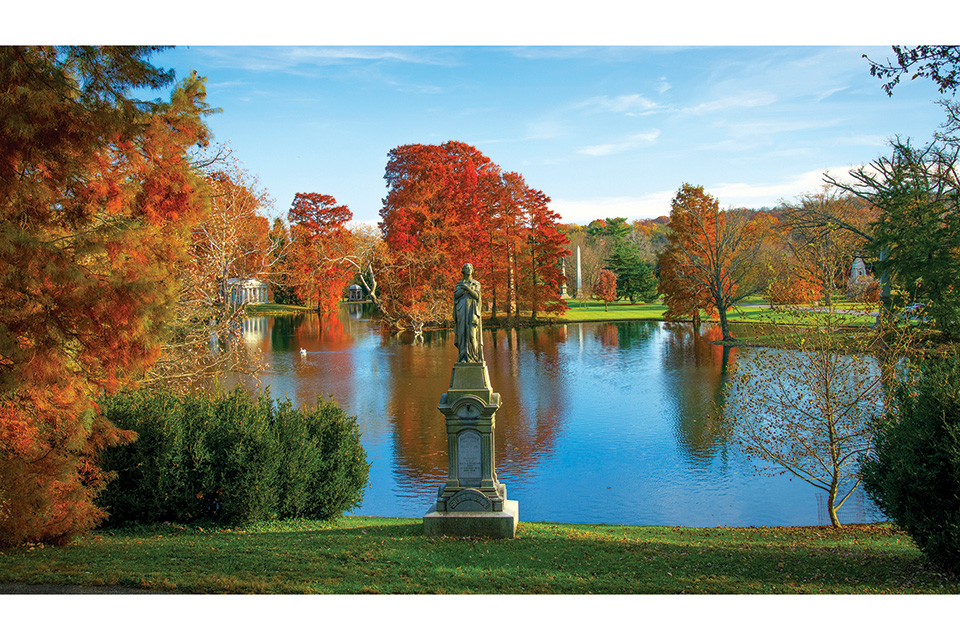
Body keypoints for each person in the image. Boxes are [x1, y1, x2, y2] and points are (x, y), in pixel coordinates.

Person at [454, 263, 483, 362]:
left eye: (471, 268)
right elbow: (456, 295)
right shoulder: (459, 284)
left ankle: (474, 356)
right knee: (462, 333)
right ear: (463, 270)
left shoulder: (476, 283)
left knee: (472, 334)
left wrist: (466, 288)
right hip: (461, 309)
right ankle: (463, 357)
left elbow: (476, 296)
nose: (469, 269)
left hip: (472, 310)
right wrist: (463, 289)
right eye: (467, 268)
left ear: (473, 270)